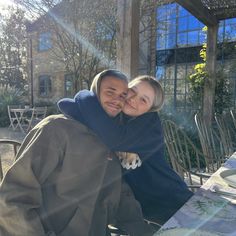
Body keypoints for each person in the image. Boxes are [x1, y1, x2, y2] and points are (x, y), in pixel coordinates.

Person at [0, 70, 155, 236]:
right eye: (110, 92)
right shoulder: (56, 129)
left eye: (123, 95)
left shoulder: (114, 140)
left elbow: (120, 195)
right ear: (95, 93)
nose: (117, 100)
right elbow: (13, 197)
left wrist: (144, 231)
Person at [58, 75, 194, 225]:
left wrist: (85, 95)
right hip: (143, 210)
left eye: (144, 100)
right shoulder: (115, 118)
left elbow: (115, 138)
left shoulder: (150, 125)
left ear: (151, 109)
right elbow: (66, 105)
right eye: (132, 91)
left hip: (173, 200)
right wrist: (91, 97)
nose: (133, 99)